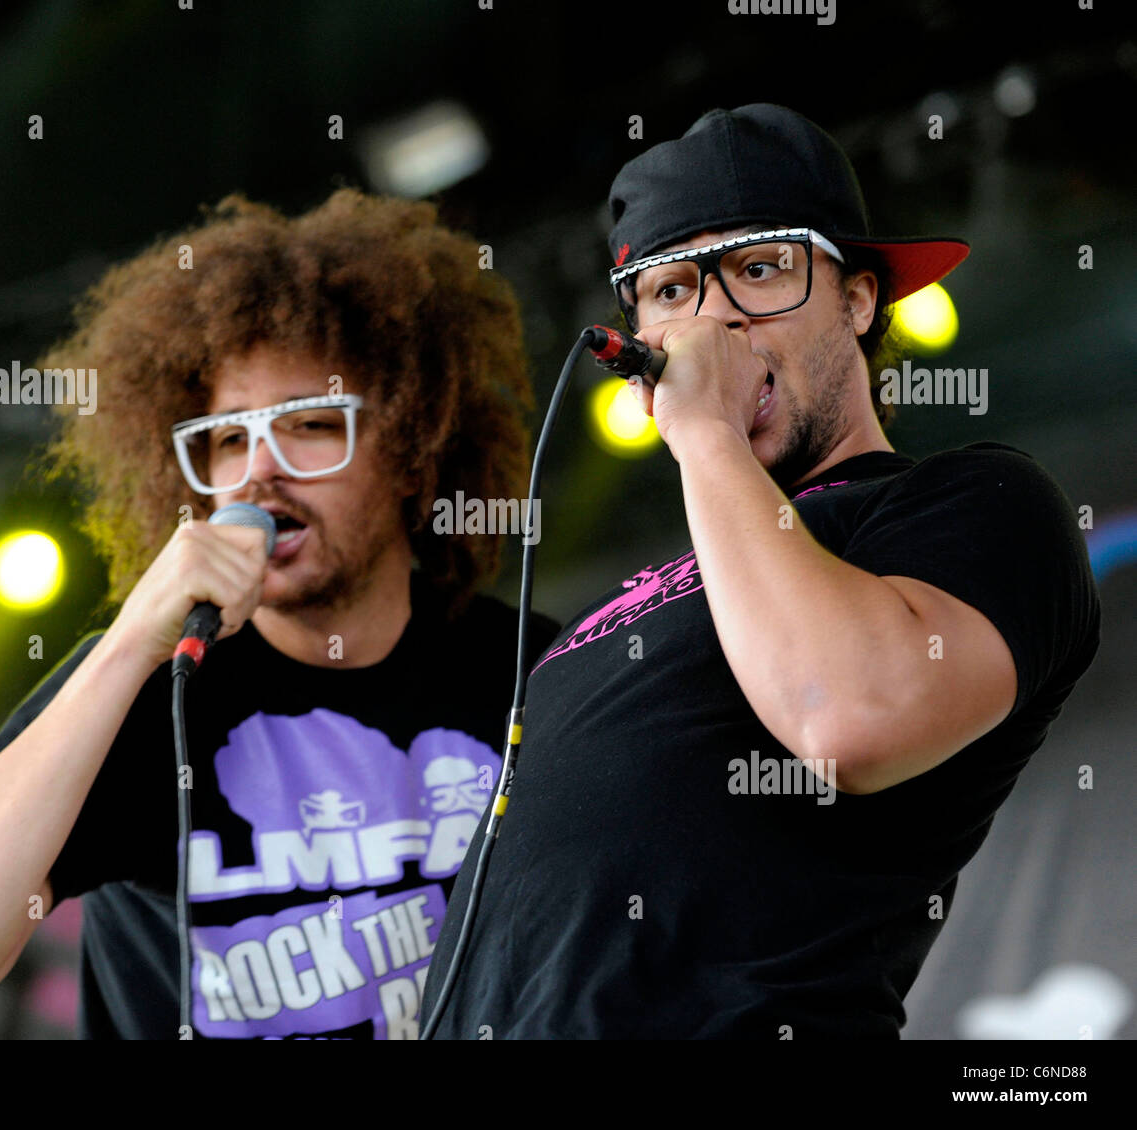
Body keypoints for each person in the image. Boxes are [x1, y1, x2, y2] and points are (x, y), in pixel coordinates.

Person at [421, 103, 1101, 1039]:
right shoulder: (620, 604)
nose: (713, 321)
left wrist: (705, 435)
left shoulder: (973, 503)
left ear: (860, 299)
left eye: (758, 268)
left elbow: (848, 717)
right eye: (667, 292)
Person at [0, 189, 558, 1040]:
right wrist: (124, 647)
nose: (260, 470)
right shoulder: (146, 687)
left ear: (414, 449)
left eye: (309, 424)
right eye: (227, 439)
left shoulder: (533, 668)